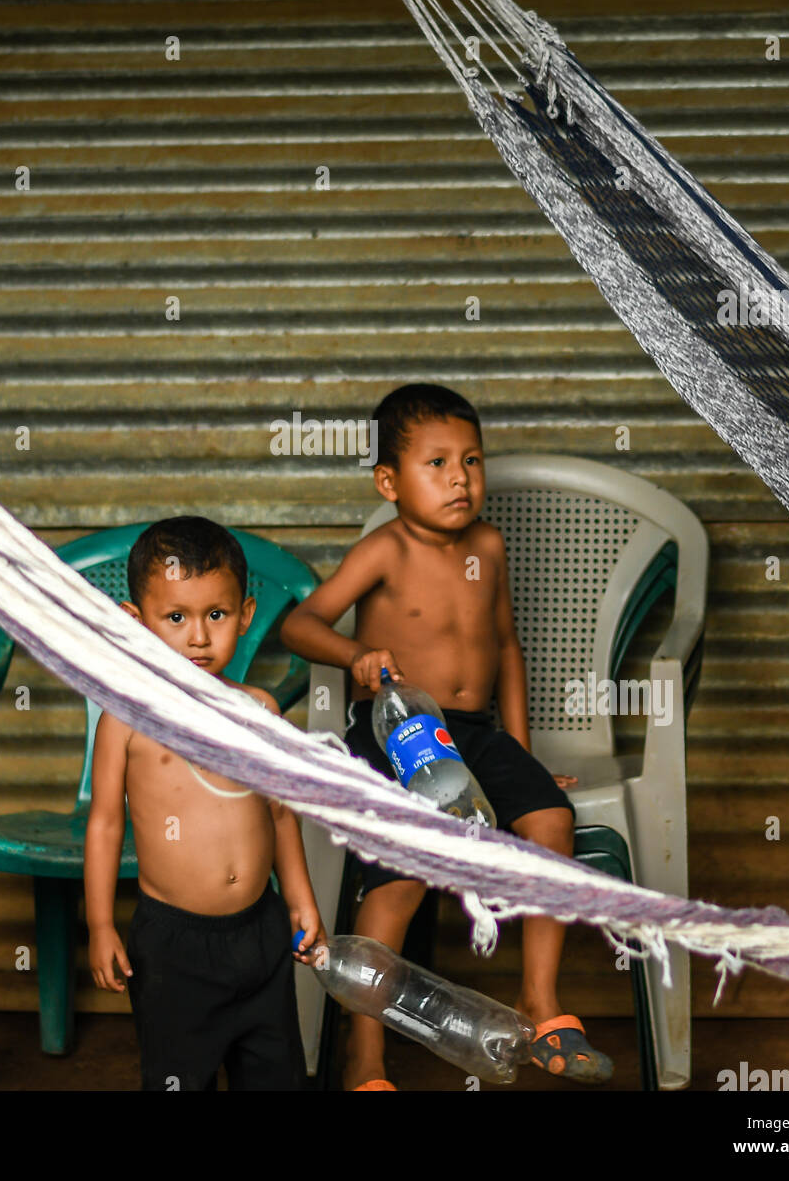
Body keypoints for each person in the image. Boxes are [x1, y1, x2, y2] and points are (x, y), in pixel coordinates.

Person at [280, 383, 613, 1089]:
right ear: (389, 482)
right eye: (436, 463)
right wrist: (355, 658)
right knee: (400, 879)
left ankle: (541, 1000)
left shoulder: (488, 546)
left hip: (475, 734)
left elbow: (507, 648)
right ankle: (365, 1056)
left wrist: (520, 753)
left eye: (472, 460)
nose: (460, 478)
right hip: (402, 733)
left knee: (551, 819)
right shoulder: (385, 551)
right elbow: (299, 625)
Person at [84, 515, 323, 1091]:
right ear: (136, 623)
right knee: (178, 1078)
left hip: (261, 929)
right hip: (174, 946)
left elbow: (281, 811)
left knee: (275, 1075)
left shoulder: (260, 711)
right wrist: (99, 924)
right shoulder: (126, 720)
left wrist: (299, 897)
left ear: (244, 614)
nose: (197, 636)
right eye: (175, 618)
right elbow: (105, 823)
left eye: (215, 615)